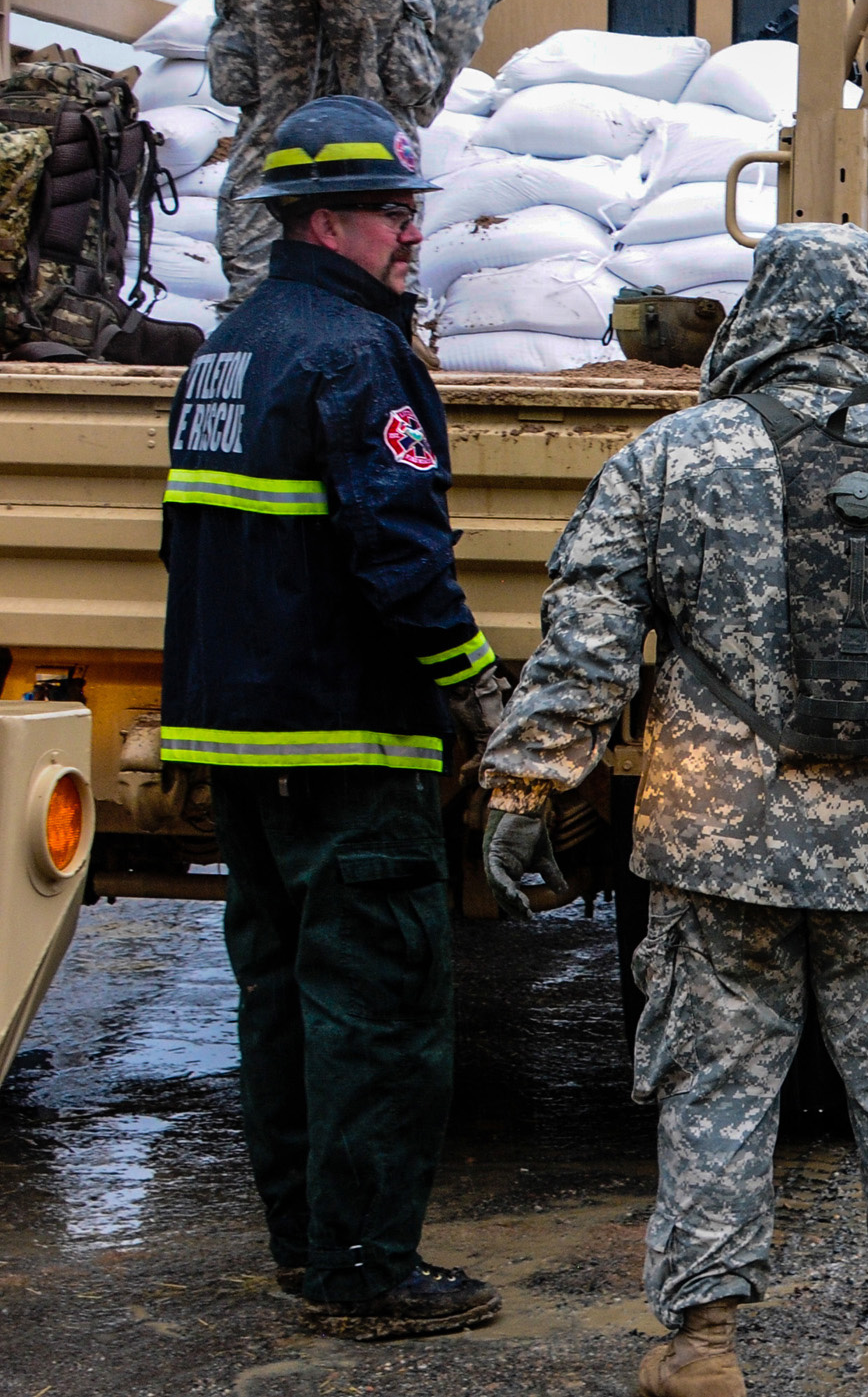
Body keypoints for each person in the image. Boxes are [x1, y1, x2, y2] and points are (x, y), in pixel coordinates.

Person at [473, 222, 868, 1397]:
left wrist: (526, 784)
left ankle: (702, 1348)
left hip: (717, 850)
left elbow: (585, 647)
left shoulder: (672, 458)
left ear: (761, 313)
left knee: (715, 1082)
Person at [158, 94, 513, 1338]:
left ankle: (310, 1251)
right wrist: (474, 687)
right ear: (324, 219)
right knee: (378, 1007)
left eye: (411, 208)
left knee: (284, 1006)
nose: (411, 233)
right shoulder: (355, 354)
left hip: (242, 739)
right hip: (345, 741)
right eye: (389, 212)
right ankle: (367, 1274)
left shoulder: (231, 345)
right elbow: (399, 552)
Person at [207, 0, 509, 305]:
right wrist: (419, 91)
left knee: (270, 130)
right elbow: (464, 4)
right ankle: (388, 316)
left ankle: (251, 309)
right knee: (380, 132)